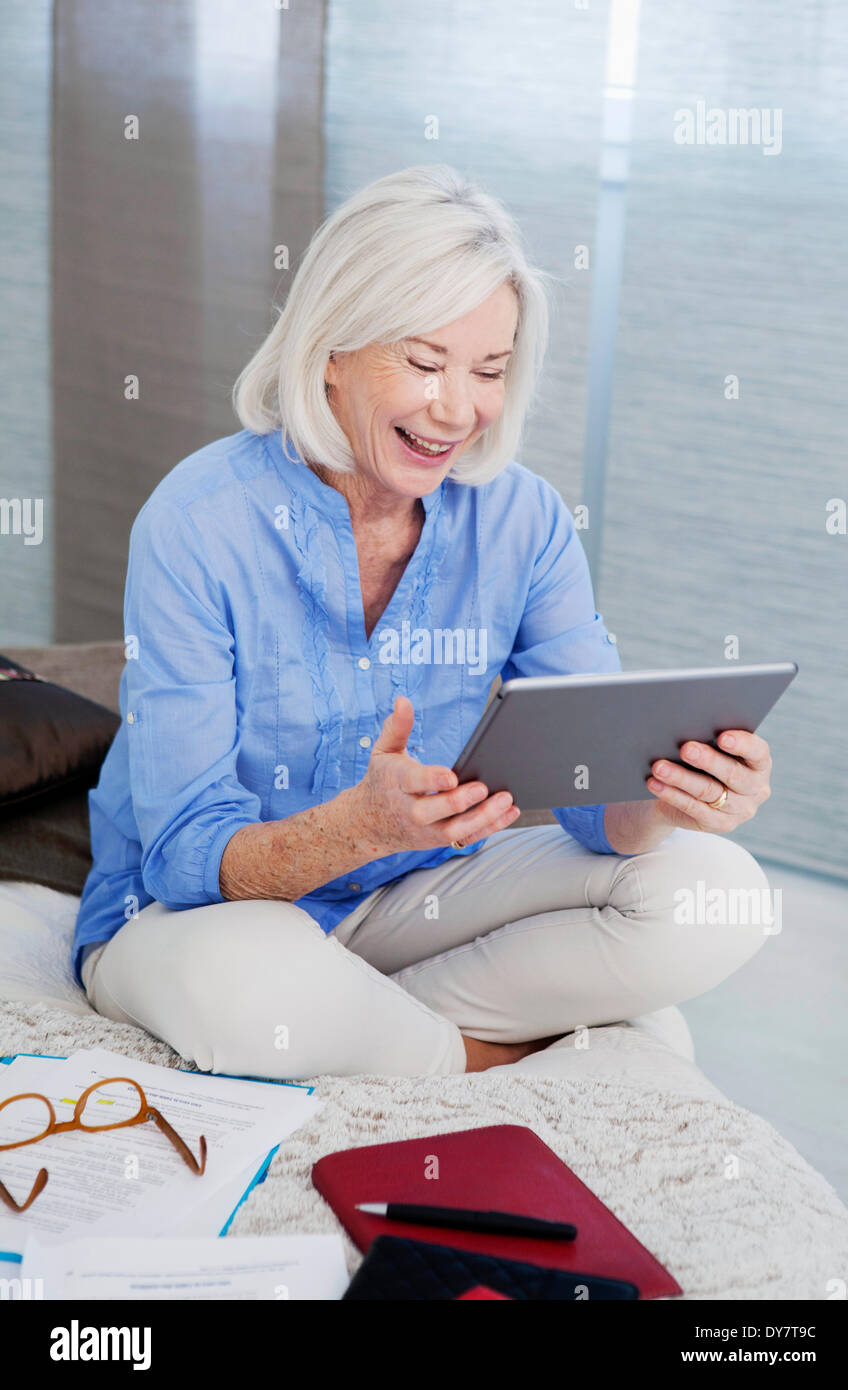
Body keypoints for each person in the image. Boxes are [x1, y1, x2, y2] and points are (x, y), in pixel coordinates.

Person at [72, 165, 774, 1078]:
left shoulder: (522, 519)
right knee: (246, 989)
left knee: (718, 893)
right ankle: (471, 1058)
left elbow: (605, 808)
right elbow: (181, 855)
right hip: (204, 917)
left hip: (415, 899)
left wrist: (667, 796)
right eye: (424, 361)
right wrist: (358, 827)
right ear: (329, 349)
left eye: (489, 370)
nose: (459, 410)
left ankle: (376, 1031)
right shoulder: (198, 521)